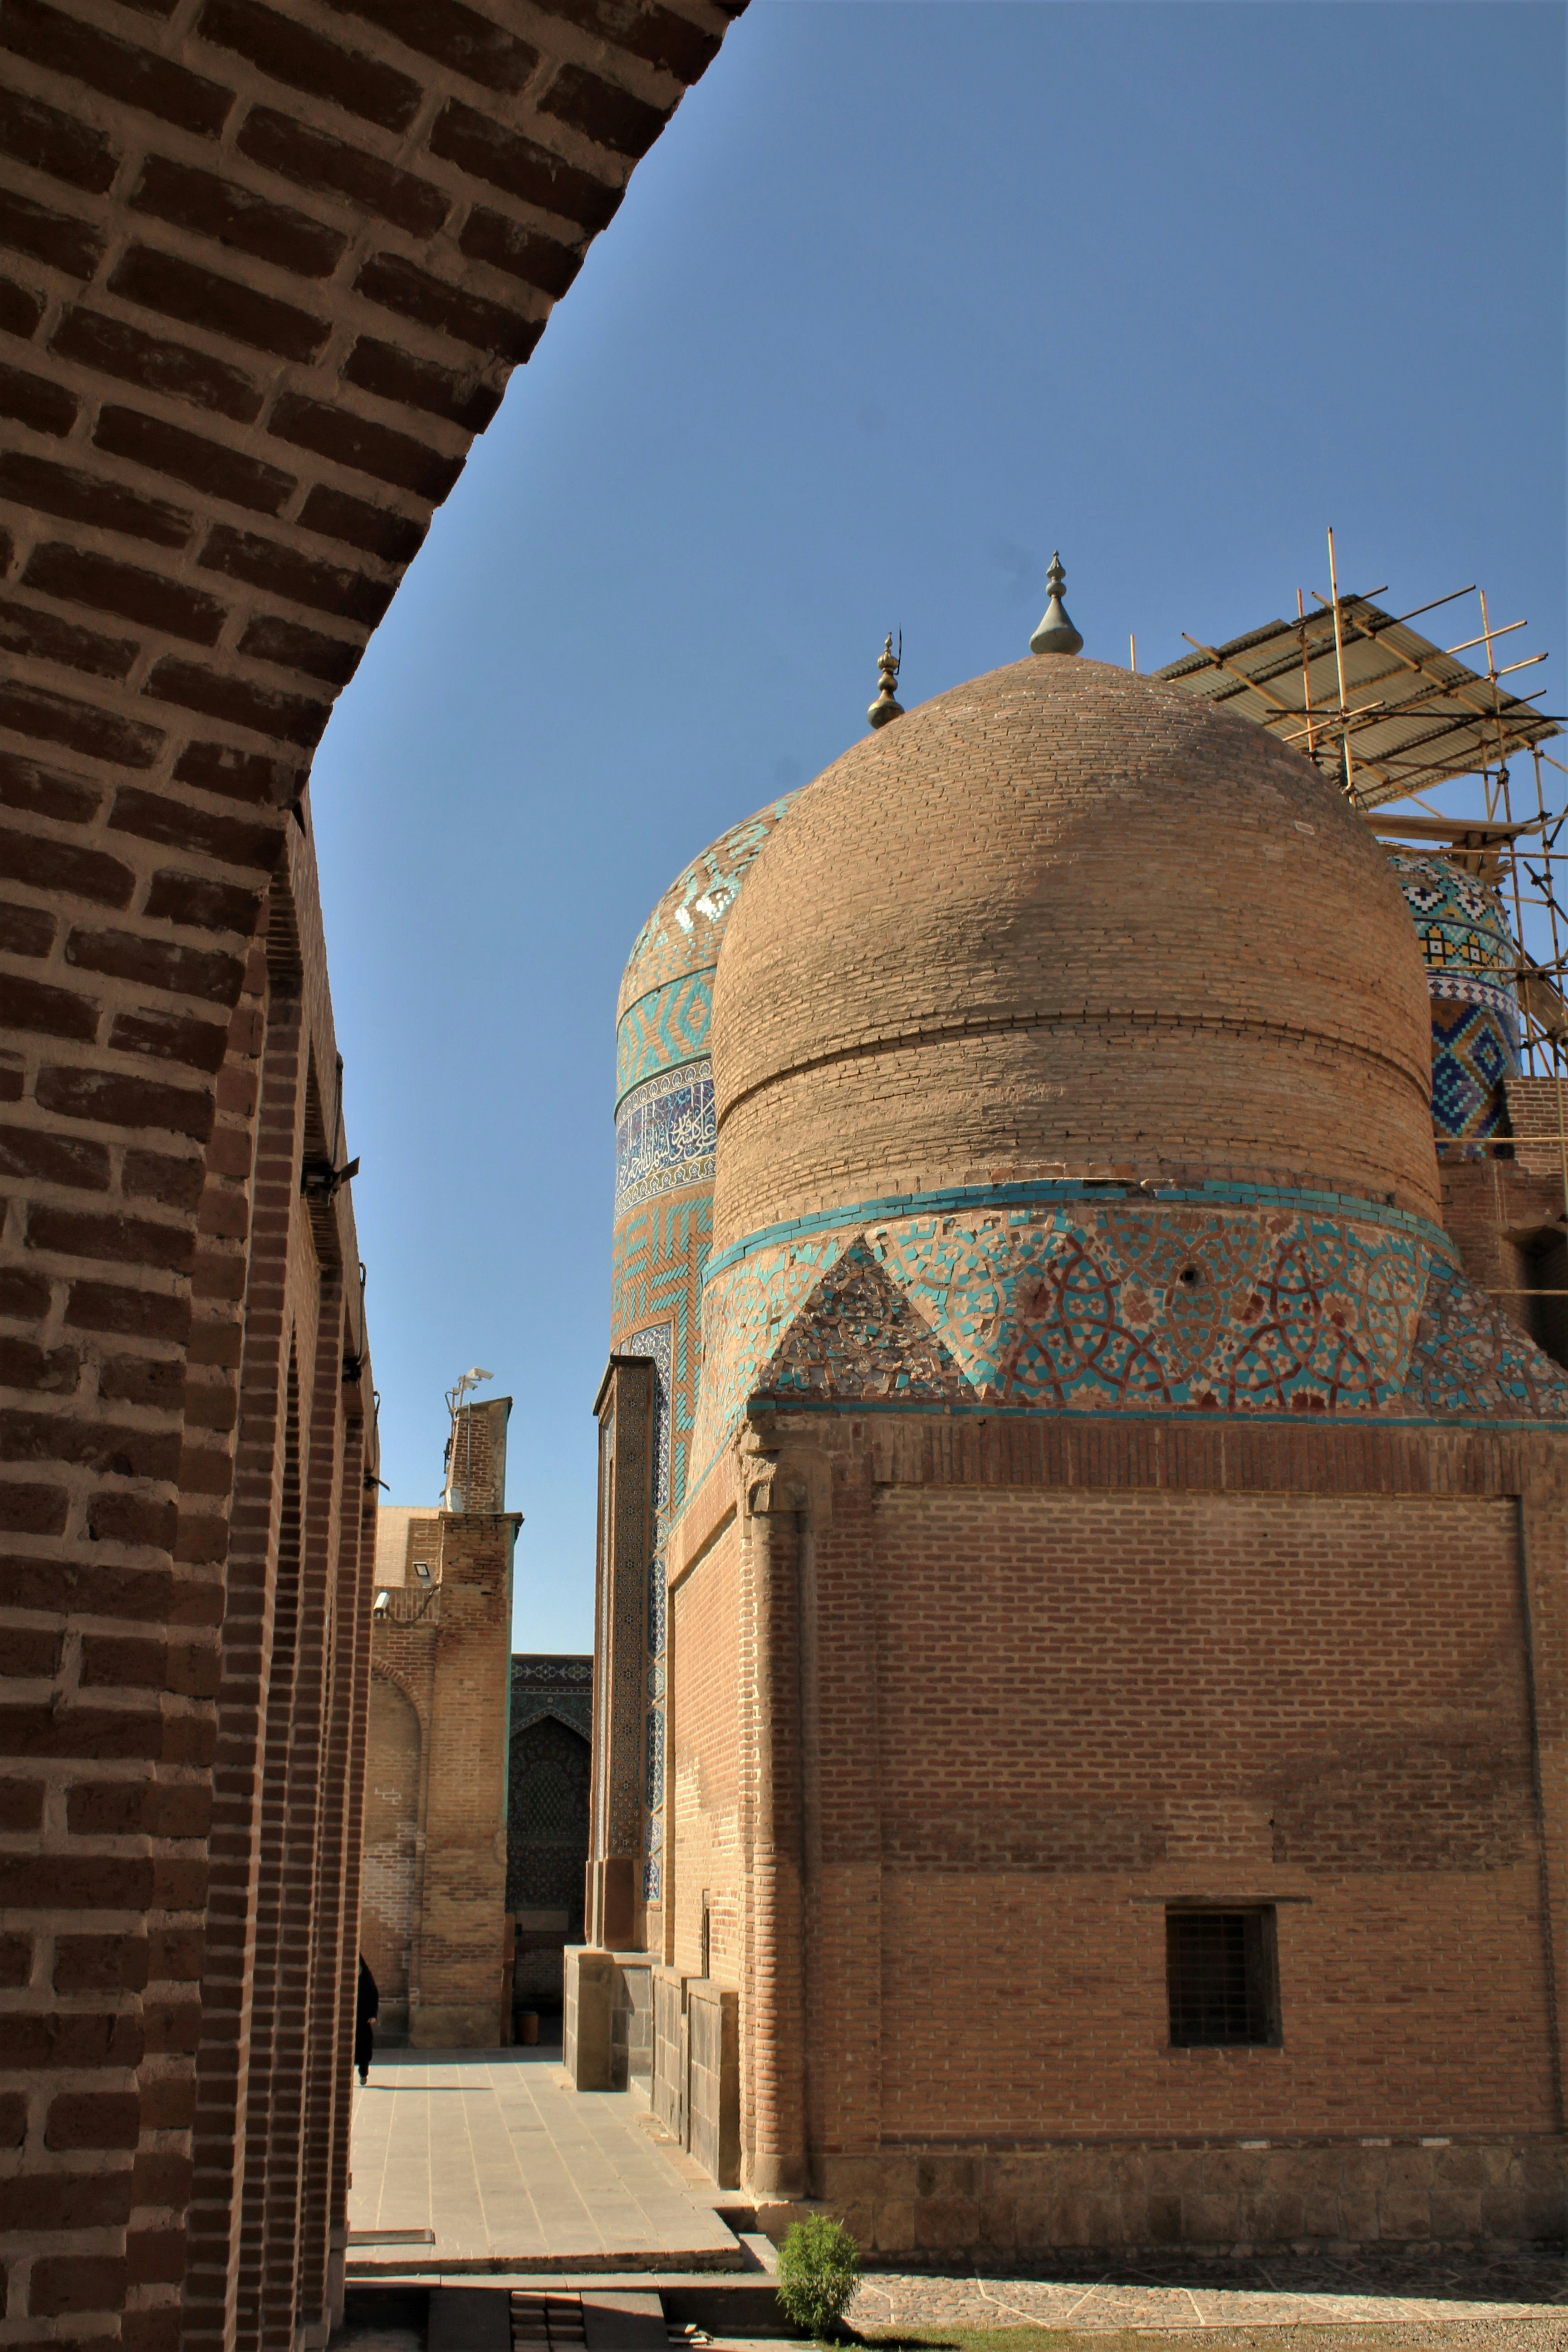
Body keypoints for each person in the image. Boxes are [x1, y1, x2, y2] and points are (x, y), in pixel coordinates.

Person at [355, 1954, 378, 2087]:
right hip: (348, 2018)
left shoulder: (365, 1977)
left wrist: (373, 2014)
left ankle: (363, 2073)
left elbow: (373, 1993)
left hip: (363, 2018)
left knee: (363, 2046)